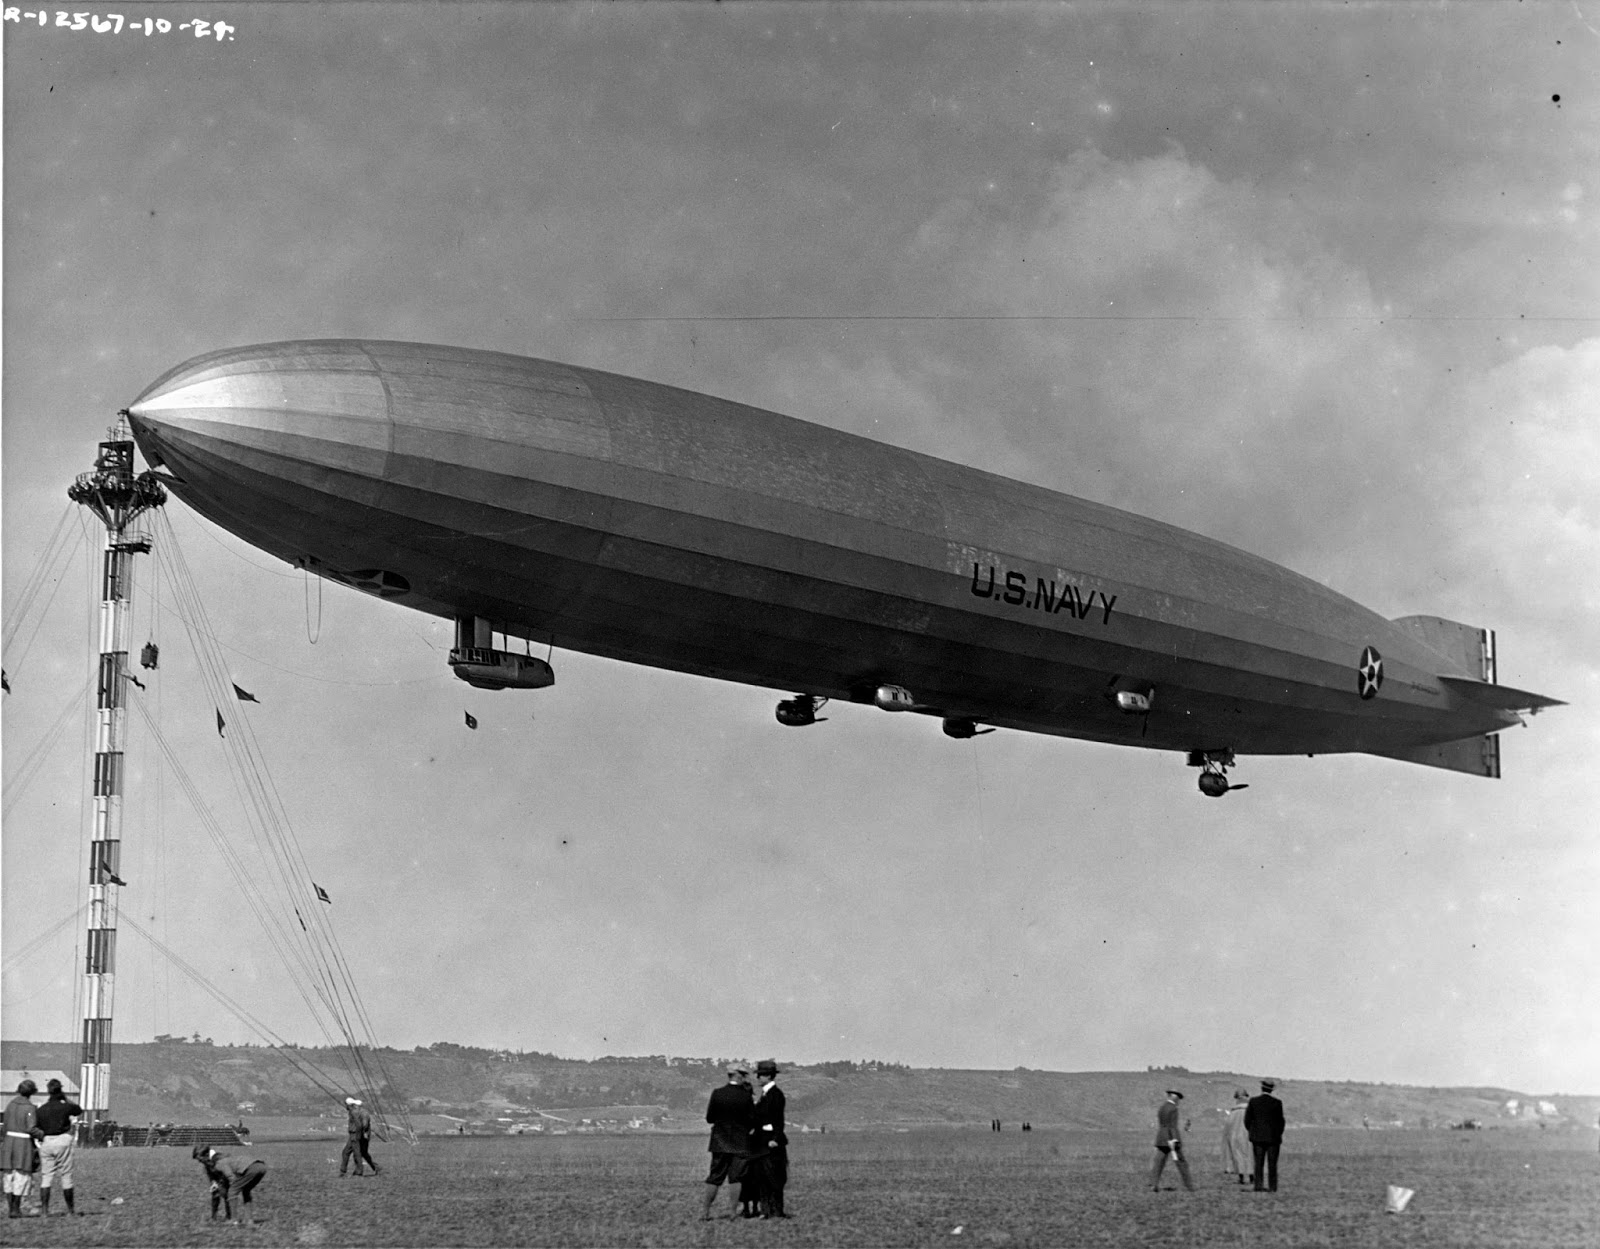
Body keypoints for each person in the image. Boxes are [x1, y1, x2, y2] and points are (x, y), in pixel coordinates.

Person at [701, 1066, 753, 1220]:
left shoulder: (717, 1093)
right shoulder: (746, 1096)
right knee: (736, 1178)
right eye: (743, 1075)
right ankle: (732, 1212)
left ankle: (705, 1212)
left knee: (714, 1177)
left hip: (719, 1141)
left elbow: (710, 1118)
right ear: (738, 1076)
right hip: (740, 1142)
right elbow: (751, 1119)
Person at [34, 1079, 82, 1216]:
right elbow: (78, 1110)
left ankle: (44, 1211)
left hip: (47, 1141)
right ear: (60, 1090)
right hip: (63, 1140)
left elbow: (37, 1125)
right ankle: (70, 1210)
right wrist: (65, 1099)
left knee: (46, 1177)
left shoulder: (41, 1110)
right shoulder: (65, 1106)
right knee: (66, 1175)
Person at [194, 1144, 268, 1224]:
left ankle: (233, 1220)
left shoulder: (219, 1163)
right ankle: (249, 1220)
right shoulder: (216, 1161)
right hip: (261, 1166)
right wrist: (215, 1184)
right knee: (246, 1191)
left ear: (206, 1155)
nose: (199, 1162)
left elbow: (231, 1177)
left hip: (251, 1168)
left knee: (232, 1192)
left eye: (200, 1159)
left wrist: (232, 1190)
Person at [752, 1060, 789, 1217]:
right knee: (763, 1177)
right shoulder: (765, 1095)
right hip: (762, 1141)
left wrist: (775, 1138)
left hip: (771, 1142)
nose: (758, 1078)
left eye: (760, 1075)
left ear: (768, 1076)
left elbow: (779, 1120)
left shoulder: (776, 1095)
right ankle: (766, 1210)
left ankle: (776, 1211)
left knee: (774, 1177)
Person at [3, 1080, 38, 1219]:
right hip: (22, 1144)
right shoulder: (29, 1108)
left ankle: (11, 1207)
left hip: (8, 1142)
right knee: (21, 1175)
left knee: (8, 1175)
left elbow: (5, 1125)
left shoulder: (10, 1105)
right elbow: (31, 1127)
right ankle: (15, 1208)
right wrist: (42, 1134)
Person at [1245, 1078, 1286, 1192]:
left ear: (1261, 1088)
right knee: (1272, 1164)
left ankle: (1258, 1185)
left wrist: (1253, 1132)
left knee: (1258, 1163)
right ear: (1272, 1090)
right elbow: (1281, 1122)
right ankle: (1272, 1187)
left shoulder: (1253, 1101)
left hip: (1257, 1138)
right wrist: (1277, 1134)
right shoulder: (1277, 1103)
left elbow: (1247, 1120)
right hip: (1273, 1138)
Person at [1149, 1090, 1194, 1191]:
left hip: (1161, 1138)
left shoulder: (1162, 1107)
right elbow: (1172, 1125)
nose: (1178, 1101)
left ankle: (1153, 1184)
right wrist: (1174, 1139)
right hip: (1171, 1140)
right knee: (1181, 1162)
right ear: (1175, 1098)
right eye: (1178, 1098)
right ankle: (1189, 1186)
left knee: (1158, 1162)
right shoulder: (1173, 1108)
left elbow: (1163, 1124)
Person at [339, 1097, 381, 1176]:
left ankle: (358, 1171)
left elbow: (361, 1124)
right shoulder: (358, 1112)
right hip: (357, 1134)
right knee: (350, 1152)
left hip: (356, 1134)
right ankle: (345, 1170)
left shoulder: (356, 1112)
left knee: (357, 1152)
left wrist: (361, 1133)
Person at [1219, 1089, 1250, 1185]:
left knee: (1238, 1156)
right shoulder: (1250, 1110)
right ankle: (1252, 1176)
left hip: (1236, 1137)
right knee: (1250, 1156)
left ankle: (1241, 1177)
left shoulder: (1233, 1112)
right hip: (1249, 1136)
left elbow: (1228, 1127)